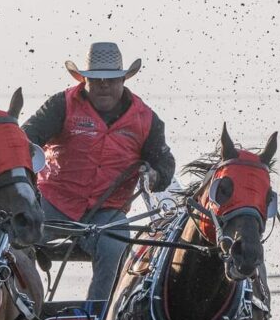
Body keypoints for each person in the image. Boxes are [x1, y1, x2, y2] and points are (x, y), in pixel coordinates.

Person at [23, 42, 175, 301]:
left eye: (111, 79)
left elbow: (164, 162)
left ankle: (98, 315)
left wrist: (155, 175)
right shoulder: (61, 105)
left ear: (123, 80)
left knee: (115, 244)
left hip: (107, 212)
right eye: (96, 79)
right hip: (52, 203)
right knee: (11, 235)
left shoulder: (146, 119)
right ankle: (17, 304)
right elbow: (27, 138)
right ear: (84, 80)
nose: (104, 85)